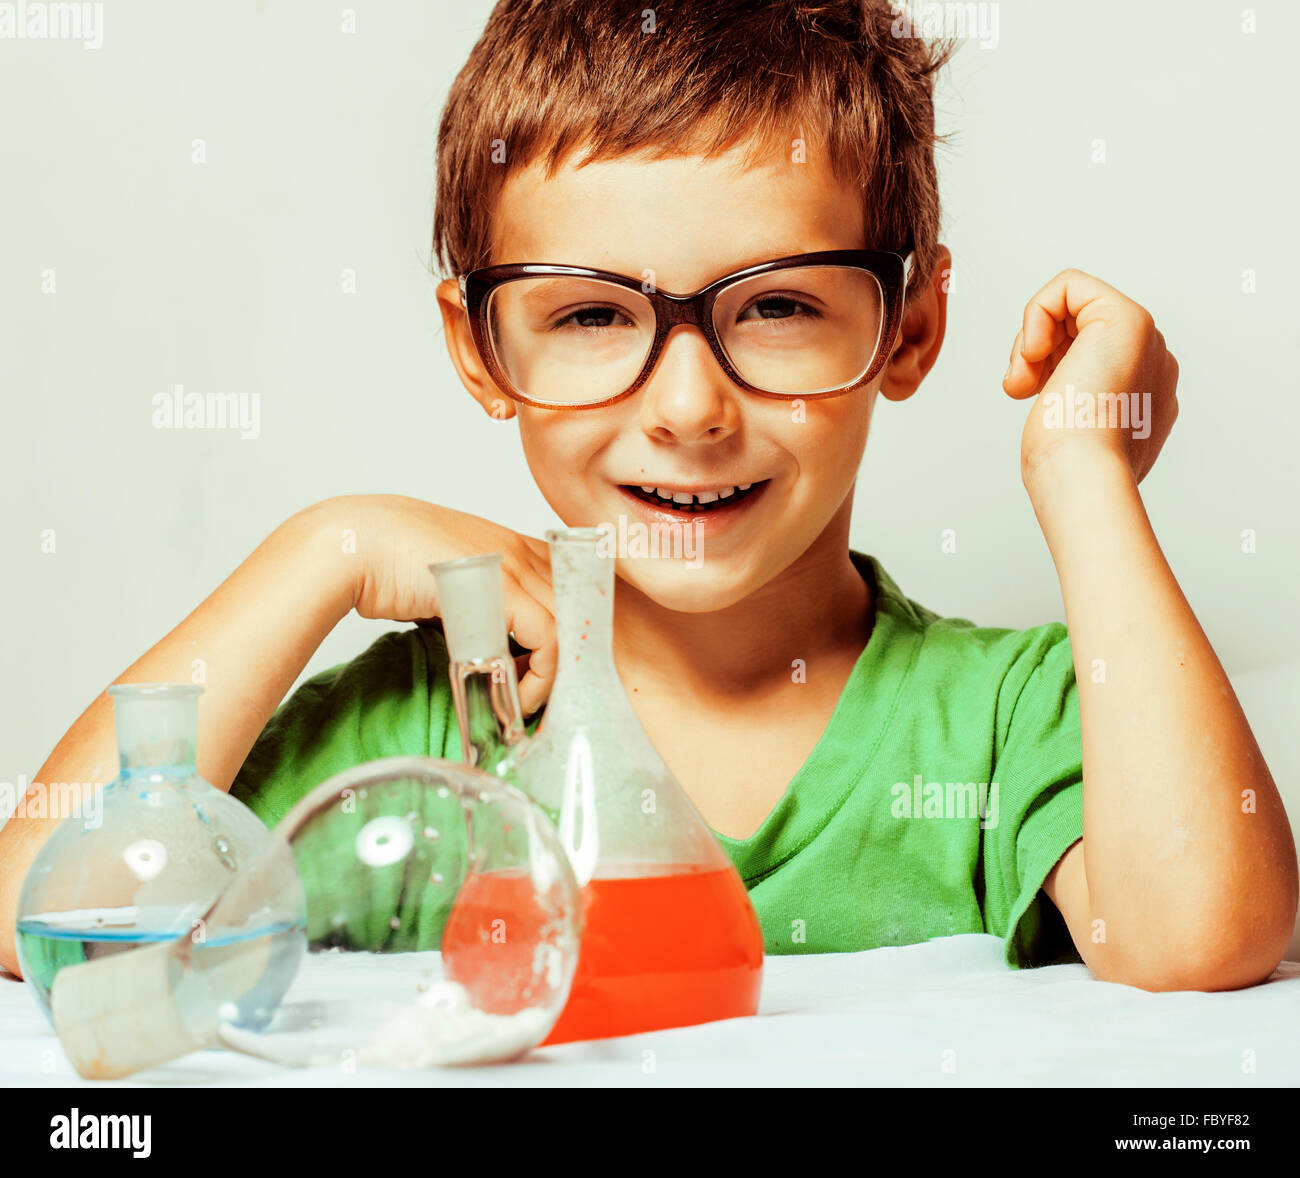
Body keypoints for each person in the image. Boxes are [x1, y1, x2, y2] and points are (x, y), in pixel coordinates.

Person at [3, 0, 1294, 989]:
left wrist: (1084, 471)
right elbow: (36, 913)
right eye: (590, 311)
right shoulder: (433, 731)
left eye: (779, 303)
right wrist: (325, 547)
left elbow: (1208, 935)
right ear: (480, 347)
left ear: (910, 328)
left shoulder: (1008, 721)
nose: (687, 406)